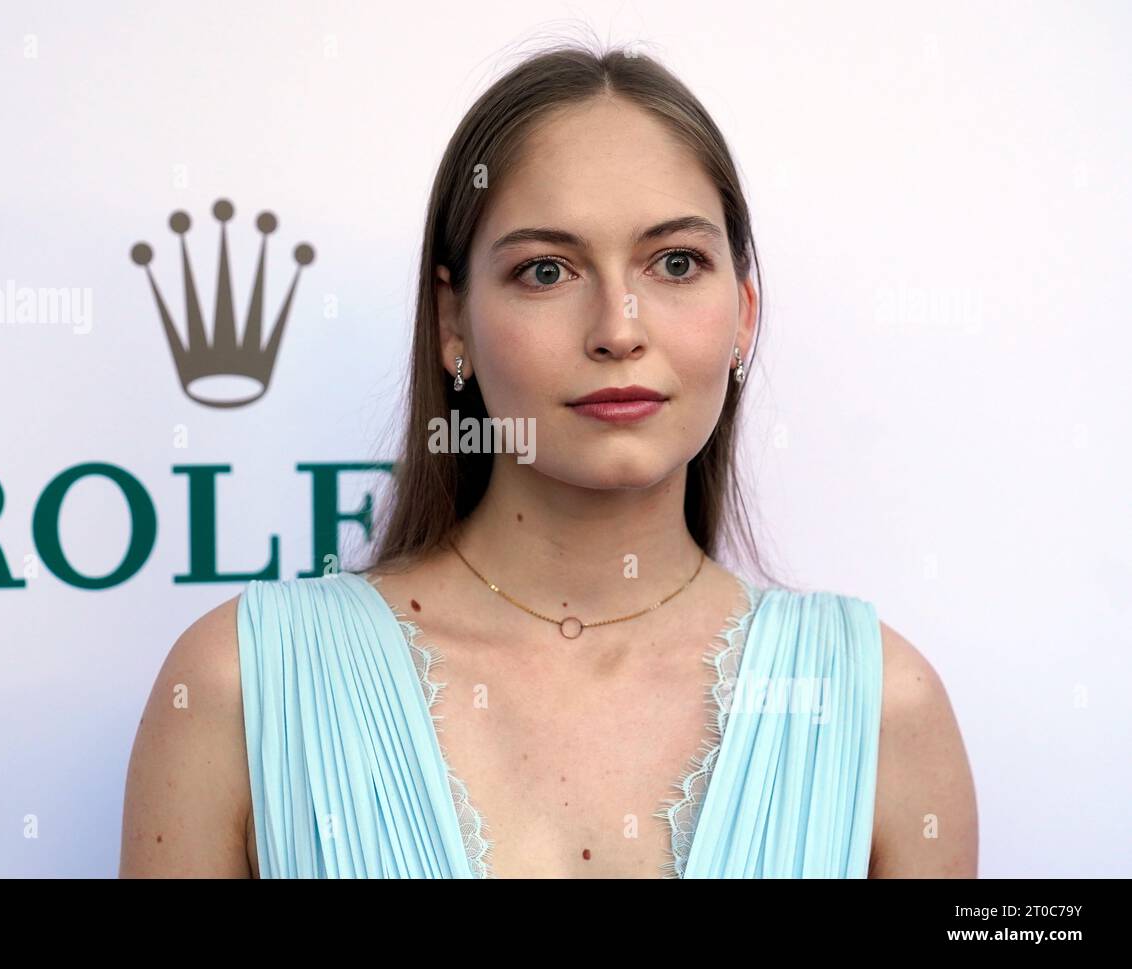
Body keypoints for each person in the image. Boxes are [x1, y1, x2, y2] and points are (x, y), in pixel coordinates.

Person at [120, 41, 977, 879]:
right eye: (546, 271)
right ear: (452, 321)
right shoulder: (237, 688)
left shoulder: (881, 708)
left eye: (676, 262)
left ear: (744, 311)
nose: (618, 327)